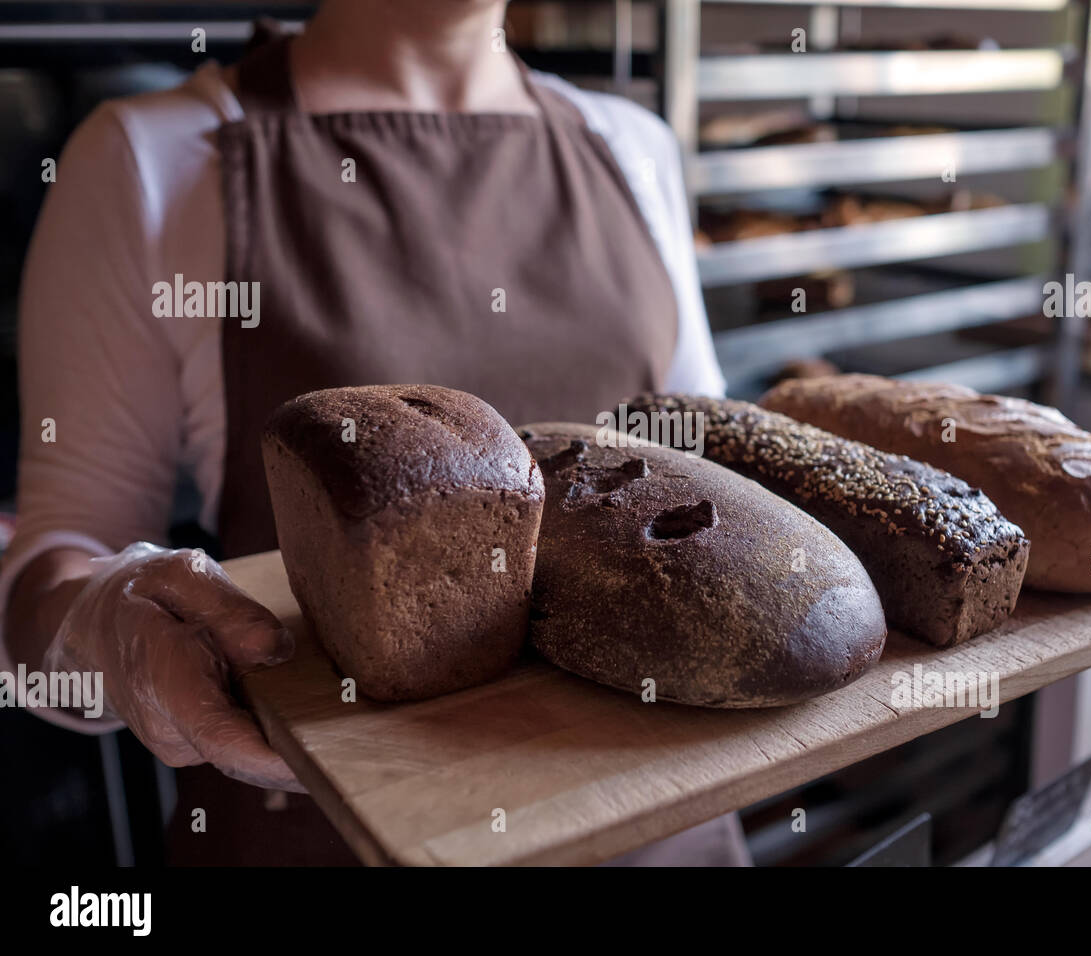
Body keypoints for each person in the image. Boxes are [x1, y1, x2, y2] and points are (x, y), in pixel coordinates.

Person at [4, 0, 743, 865]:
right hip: (320, 829)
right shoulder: (148, 158)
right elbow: (60, 550)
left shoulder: (632, 144)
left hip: (660, 819)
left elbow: (702, 482)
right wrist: (101, 620)